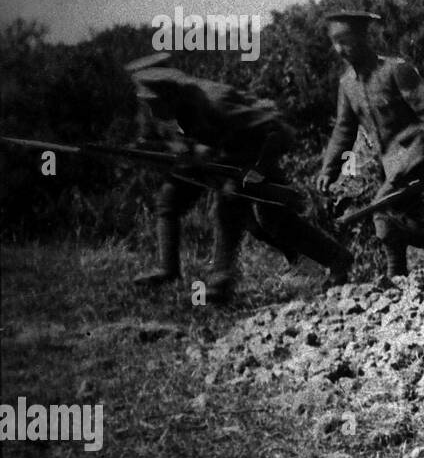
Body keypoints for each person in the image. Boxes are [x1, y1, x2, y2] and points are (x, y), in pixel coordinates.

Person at [128, 52, 352, 303]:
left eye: (156, 104)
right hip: (206, 161)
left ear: (173, 95)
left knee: (260, 215)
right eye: (148, 104)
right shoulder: (154, 105)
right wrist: (171, 152)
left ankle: (333, 259)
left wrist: (255, 170)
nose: (151, 110)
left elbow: (278, 131)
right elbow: (152, 140)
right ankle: (167, 268)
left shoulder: (215, 99)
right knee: (169, 199)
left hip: (251, 156)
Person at [315, 11, 424, 277]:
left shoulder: (395, 69)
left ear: (363, 37)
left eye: (346, 39)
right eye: (335, 41)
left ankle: (408, 269)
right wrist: (329, 170)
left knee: (383, 216)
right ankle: (408, 275)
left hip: (416, 154)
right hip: (389, 164)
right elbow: (344, 130)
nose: (341, 48)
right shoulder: (347, 84)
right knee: (402, 223)